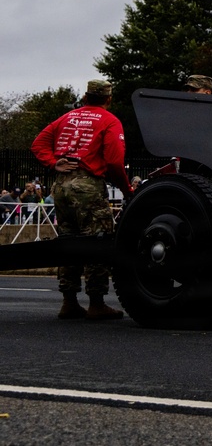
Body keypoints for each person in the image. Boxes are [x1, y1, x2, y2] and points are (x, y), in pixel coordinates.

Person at [30, 79, 133, 320]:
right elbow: (115, 162)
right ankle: (96, 303)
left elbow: (38, 144)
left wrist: (53, 162)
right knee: (97, 241)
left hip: (61, 184)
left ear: (85, 97)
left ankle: (69, 301)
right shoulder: (110, 120)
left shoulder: (66, 117)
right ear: (108, 99)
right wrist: (127, 189)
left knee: (68, 241)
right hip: (87, 185)